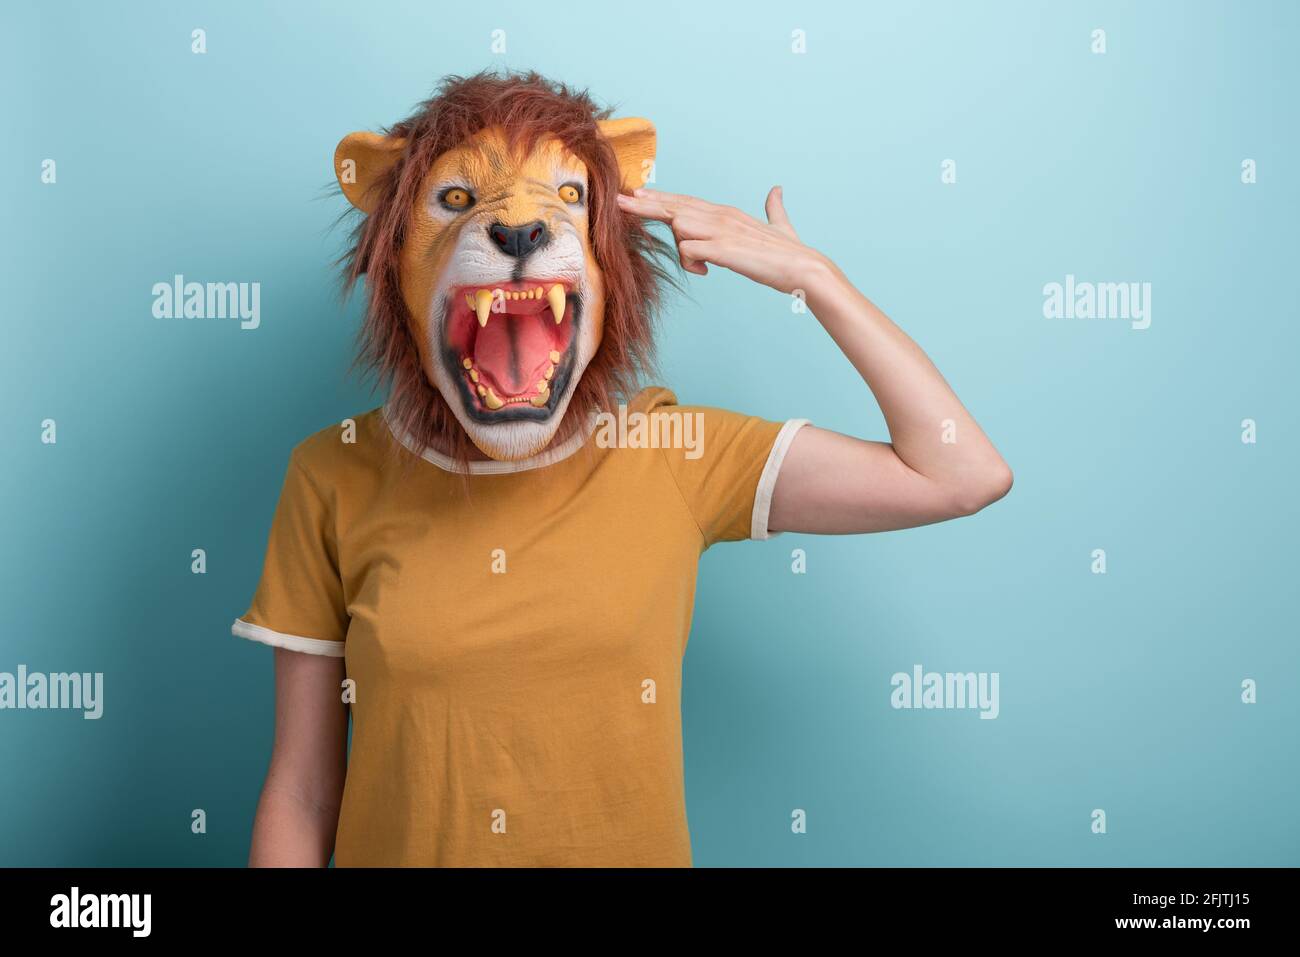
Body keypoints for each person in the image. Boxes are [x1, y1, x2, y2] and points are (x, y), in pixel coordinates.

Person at [233, 72, 1011, 867]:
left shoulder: (672, 458)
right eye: (458, 201)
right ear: (396, 266)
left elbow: (959, 472)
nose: (521, 227)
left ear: (612, 275)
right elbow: (303, 791)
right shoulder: (334, 472)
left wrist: (816, 281)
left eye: (567, 197)